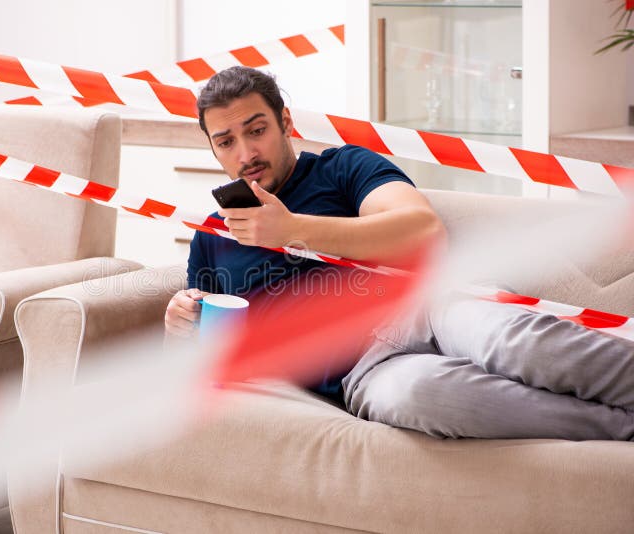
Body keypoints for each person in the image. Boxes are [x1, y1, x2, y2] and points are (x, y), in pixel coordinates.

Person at [164, 66, 634, 441]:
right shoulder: (213, 236)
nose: (246, 152)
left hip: (428, 307)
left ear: (285, 122)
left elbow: (422, 232)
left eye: (257, 130)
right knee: (421, 398)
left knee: (511, 342)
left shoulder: (344, 166)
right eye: (226, 142)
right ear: (213, 149)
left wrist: (293, 230)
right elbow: (207, 348)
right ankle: (621, 428)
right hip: (363, 373)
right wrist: (180, 323)